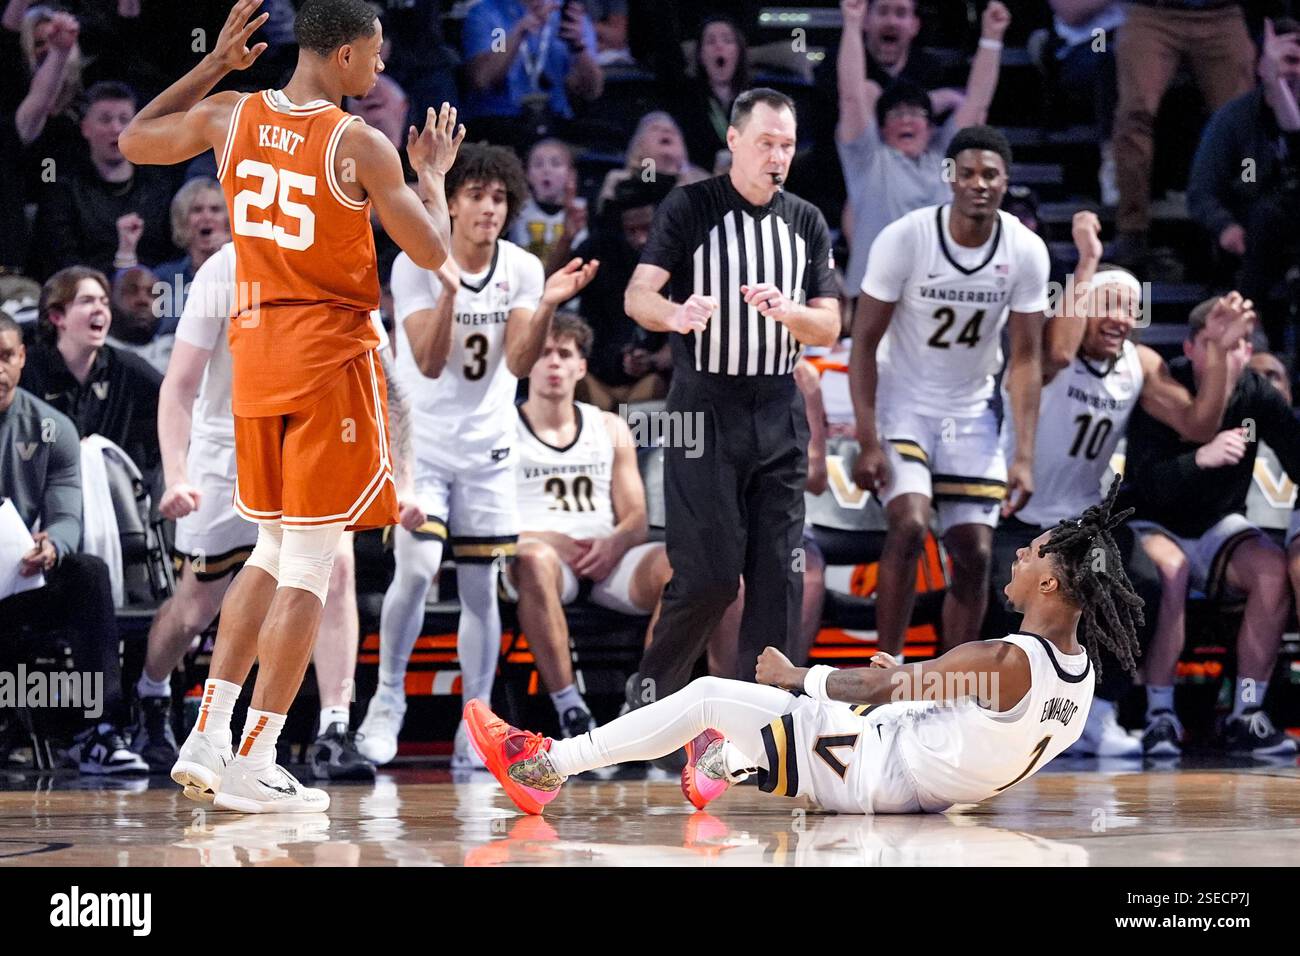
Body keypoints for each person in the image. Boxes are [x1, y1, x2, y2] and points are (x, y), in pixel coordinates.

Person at [119, 0, 463, 813]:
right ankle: (259, 754)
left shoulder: (232, 117)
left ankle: (207, 733)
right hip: (328, 361)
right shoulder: (360, 143)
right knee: (311, 563)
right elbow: (434, 252)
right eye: (374, 58)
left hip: (257, 357)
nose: (379, 74)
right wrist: (433, 178)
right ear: (343, 55)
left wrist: (212, 68)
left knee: (271, 552)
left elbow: (135, 140)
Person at [463, 481, 1142, 817]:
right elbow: (934, 699)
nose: (1019, 554)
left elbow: (883, 692)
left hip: (872, 769)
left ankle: (548, 766)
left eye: (1033, 553)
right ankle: (728, 762)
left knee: (706, 696)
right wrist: (905, 685)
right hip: (913, 791)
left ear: (1051, 581)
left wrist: (801, 676)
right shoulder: (1076, 680)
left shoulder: (1002, 661)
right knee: (770, 727)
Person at [356, 143, 597, 769]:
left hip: (488, 446)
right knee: (414, 569)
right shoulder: (415, 265)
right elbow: (431, 361)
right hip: (423, 447)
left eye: (499, 198)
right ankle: (387, 701)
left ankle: (479, 720)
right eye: (476, 196)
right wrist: (449, 295)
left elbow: (519, 363)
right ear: (453, 205)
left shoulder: (521, 267)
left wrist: (547, 303)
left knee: (481, 590)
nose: (489, 208)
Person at [128, 241, 405, 782]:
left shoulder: (343, 257)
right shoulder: (226, 268)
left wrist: (404, 475)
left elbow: (384, 383)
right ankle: (154, 694)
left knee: (331, 569)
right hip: (228, 447)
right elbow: (180, 385)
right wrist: (177, 472)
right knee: (195, 605)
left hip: (308, 443)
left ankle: (329, 728)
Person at [991, 211, 1254, 756]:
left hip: (1082, 520)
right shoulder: (1051, 349)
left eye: (1132, 311)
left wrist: (1224, 356)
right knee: (1003, 601)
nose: (1122, 318)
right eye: (1109, 305)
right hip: (1018, 511)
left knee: (1140, 586)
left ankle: (1099, 715)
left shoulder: (1139, 363)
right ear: (1084, 305)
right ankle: (996, 715)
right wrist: (1087, 260)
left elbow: (1199, 425)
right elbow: (1061, 352)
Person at [623, 88, 840, 702]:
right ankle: (641, 711)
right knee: (709, 580)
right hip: (702, 411)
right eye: (766, 143)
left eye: (788, 146)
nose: (777, 156)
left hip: (778, 410)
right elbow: (637, 296)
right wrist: (676, 314)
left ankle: (763, 727)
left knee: (780, 583)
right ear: (735, 142)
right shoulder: (690, 206)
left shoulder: (805, 220)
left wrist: (791, 311)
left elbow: (829, 326)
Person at [849, 126, 1049, 659]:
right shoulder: (905, 237)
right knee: (910, 525)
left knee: (977, 553)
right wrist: (868, 439)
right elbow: (863, 342)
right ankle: (885, 674)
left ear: (1005, 182)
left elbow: (1028, 358)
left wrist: (1024, 455)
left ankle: (949, 685)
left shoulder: (1025, 251)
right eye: (968, 174)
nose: (979, 184)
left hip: (971, 408)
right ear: (950, 179)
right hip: (905, 403)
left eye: (990, 174)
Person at [1120, 298, 1300, 758]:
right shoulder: (1163, 383)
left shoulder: (1256, 394)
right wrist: (1197, 460)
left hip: (1218, 524)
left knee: (1272, 570)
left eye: (1241, 343)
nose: (1233, 353)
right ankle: (1160, 713)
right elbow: (1146, 484)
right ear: (1191, 347)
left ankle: (1246, 711)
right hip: (1151, 521)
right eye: (1218, 343)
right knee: (1173, 570)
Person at [0, 312, 147, 775]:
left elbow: (67, 516)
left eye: (6, 356)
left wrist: (54, 546)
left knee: (86, 572)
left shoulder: (51, 427)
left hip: (15, 578)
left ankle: (96, 732)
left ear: (22, 358)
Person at [836, 0, 1010, 297]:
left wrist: (991, 37)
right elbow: (852, 96)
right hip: (876, 300)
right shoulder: (868, 160)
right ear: (881, 128)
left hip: (937, 296)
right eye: (896, 114)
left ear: (931, 128)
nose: (907, 119)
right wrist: (852, 23)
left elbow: (978, 101)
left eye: (916, 114)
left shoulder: (945, 159)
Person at [1110, 0, 1255, 267]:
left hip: (1221, 13)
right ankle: (1131, 229)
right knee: (1134, 114)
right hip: (1152, 12)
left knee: (1243, 124)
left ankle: (1242, 223)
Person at [1188, 18, 1300, 347]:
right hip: (1253, 233)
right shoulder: (1235, 119)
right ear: (1262, 65)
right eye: (1289, 62)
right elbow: (1202, 191)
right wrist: (1224, 226)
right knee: (1266, 214)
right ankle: (1252, 321)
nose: (1295, 73)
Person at [21, 267, 163, 487]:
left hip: (109, 488)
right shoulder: (28, 369)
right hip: (42, 486)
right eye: (87, 301)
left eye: (104, 303)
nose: (100, 310)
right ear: (57, 316)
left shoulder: (124, 366)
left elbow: (173, 400)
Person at [28, 81, 179, 279]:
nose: (116, 128)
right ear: (85, 128)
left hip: (156, 292)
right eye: (105, 120)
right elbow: (61, 261)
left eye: (125, 120)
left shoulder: (159, 187)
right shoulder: (64, 192)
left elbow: (174, 253)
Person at [569, 174, 674, 409]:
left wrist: (653, 361)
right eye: (632, 231)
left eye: (648, 228)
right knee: (573, 377)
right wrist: (567, 238)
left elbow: (690, 338)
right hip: (594, 377)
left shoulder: (681, 258)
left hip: (651, 382)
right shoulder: (598, 250)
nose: (641, 239)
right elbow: (549, 292)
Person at [461, 0, 603, 147]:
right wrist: (519, 32)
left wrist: (579, 47)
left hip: (555, 122)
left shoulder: (566, 15)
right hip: (500, 122)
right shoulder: (492, 15)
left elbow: (592, 91)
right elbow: (483, 79)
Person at [150, 177, 231, 335]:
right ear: (182, 220)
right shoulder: (164, 277)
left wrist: (222, 260)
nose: (207, 217)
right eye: (197, 210)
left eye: (215, 209)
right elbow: (160, 327)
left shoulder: (243, 273)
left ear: (228, 221)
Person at [510, 138, 589, 275]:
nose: (546, 170)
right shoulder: (515, 208)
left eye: (556, 164)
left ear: (571, 174)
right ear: (527, 173)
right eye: (538, 164)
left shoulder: (582, 210)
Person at [108, 264, 173, 374]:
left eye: (152, 293)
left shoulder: (178, 352)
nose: (143, 300)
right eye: (131, 291)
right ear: (109, 300)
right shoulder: (93, 353)